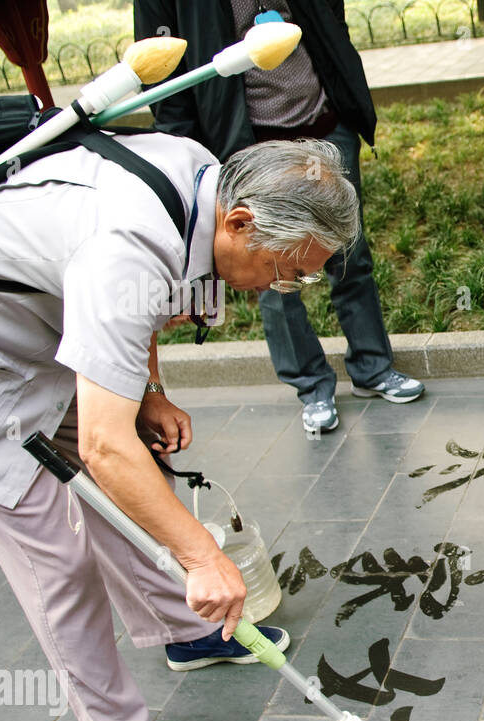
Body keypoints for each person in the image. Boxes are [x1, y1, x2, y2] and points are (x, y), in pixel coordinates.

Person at [0, 132, 359, 721]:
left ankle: (186, 631)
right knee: (58, 561)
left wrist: (145, 390)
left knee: (145, 481)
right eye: (284, 270)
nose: (282, 287)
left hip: (55, 337)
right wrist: (204, 555)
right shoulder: (128, 244)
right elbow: (103, 446)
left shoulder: (202, 178)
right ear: (240, 222)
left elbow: (141, 310)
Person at [134, 0, 424, 434]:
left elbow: (330, 18)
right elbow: (165, 79)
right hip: (247, 143)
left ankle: (373, 367)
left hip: (324, 126)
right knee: (269, 271)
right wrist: (190, 160)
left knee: (346, 253)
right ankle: (311, 386)